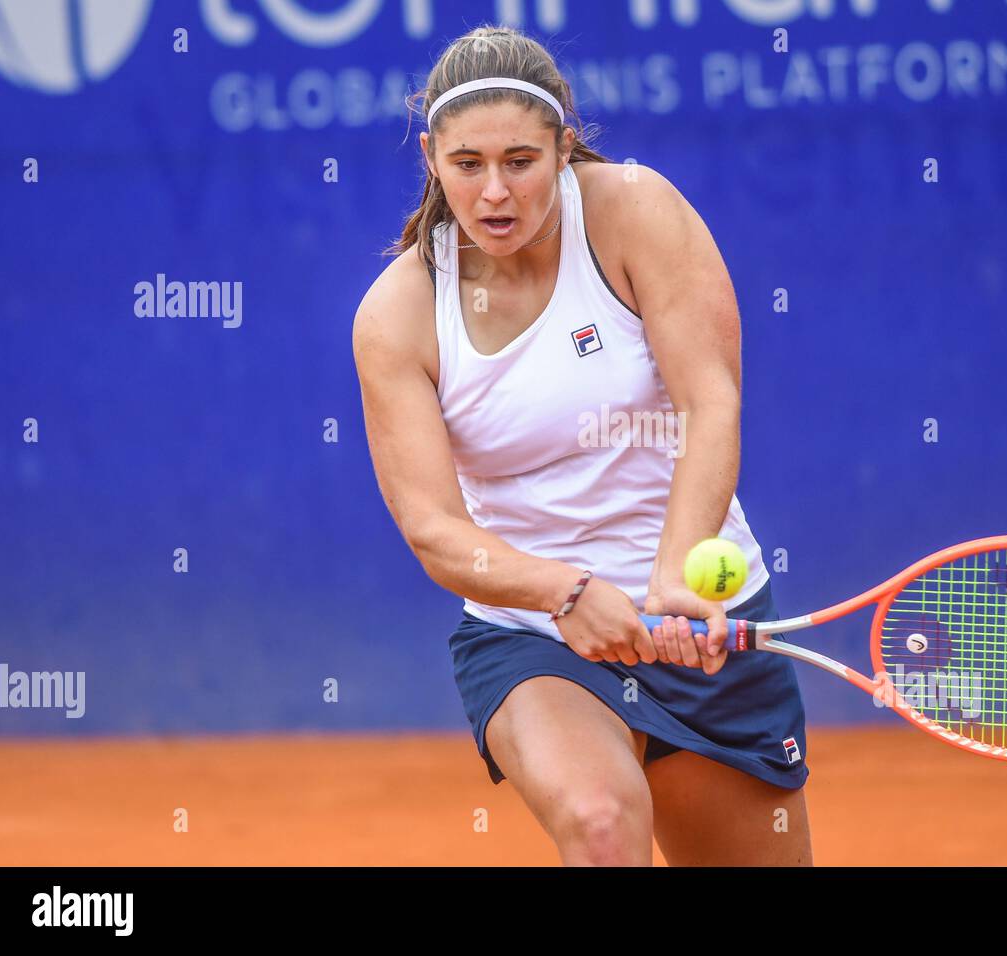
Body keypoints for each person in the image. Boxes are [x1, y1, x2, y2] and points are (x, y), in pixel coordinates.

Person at [353, 24, 811, 866]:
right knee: (601, 823)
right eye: (468, 165)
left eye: (521, 161)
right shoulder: (398, 314)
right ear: (431, 155)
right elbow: (433, 530)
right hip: (533, 632)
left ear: (565, 147)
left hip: (703, 618)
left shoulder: (635, 211)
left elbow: (709, 401)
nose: (495, 192)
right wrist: (565, 592)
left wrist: (673, 576)